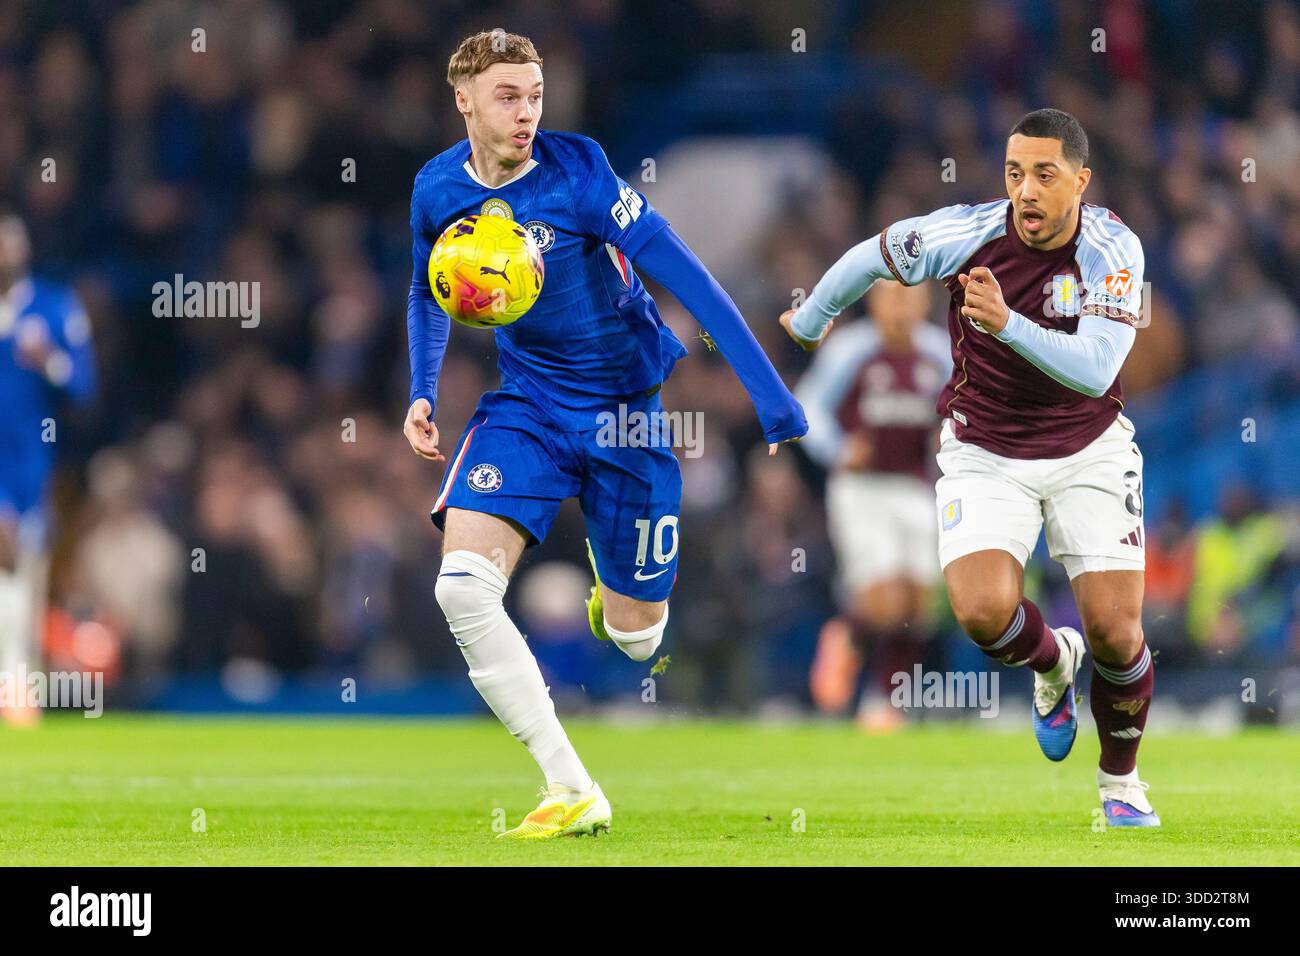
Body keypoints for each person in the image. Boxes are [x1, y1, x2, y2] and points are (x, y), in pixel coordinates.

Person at [404, 31, 806, 838]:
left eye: (536, 96)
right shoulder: (437, 188)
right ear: (465, 101)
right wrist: (421, 390)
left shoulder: (580, 172)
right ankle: (571, 785)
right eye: (508, 97)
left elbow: (685, 272)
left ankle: (611, 590)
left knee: (636, 639)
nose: (527, 114)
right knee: (461, 588)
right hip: (527, 409)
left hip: (626, 418)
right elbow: (428, 289)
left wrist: (773, 398)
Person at [781, 109, 1159, 827]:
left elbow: (1098, 367)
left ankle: (1121, 784)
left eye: (1045, 174)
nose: (1027, 190)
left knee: (1118, 632)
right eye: (1016, 173)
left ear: (1080, 180)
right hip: (986, 451)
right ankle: (1052, 663)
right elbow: (873, 255)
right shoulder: (965, 232)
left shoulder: (1116, 249)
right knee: (983, 614)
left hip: (1090, 448)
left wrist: (1006, 323)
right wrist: (812, 319)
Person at [796, 281, 950, 731]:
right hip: (862, 489)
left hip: (917, 486)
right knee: (884, 602)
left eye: (910, 295)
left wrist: (948, 438)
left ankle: (882, 701)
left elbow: (964, 407)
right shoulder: (850, 350)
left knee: (919, 605)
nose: (901, 305)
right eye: (890, 295)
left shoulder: (939, 352)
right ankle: (847, 633)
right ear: (873, 301)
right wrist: (838, 448)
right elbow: (807, 405)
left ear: (925, 301)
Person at [0, 212, 97, 724]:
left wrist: (50, 361)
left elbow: (85, 388)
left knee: (22, 574)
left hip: (29, 465)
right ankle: (13, 684)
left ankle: (16, 681)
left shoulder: (54, 308)